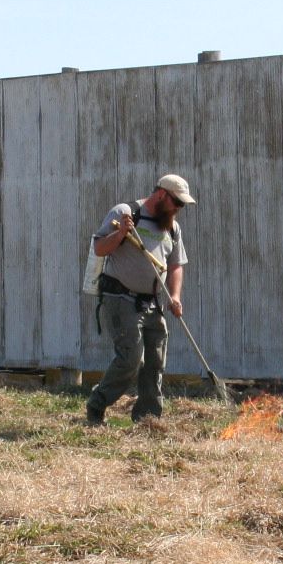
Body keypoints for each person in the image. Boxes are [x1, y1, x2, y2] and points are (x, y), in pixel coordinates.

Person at [85, 173, 194, 425]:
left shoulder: (172, 227)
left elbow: (175, 265)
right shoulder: (126, 213)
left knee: (155, 361)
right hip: (121, 298)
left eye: (182, 205)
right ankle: (97, 404)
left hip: (153, 302)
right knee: (131, 359)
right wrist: (121, 233)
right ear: (161, 194)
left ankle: (148, 419)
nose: (179, 209)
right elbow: (99, 248)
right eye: (177, 202)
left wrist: (175, 296)